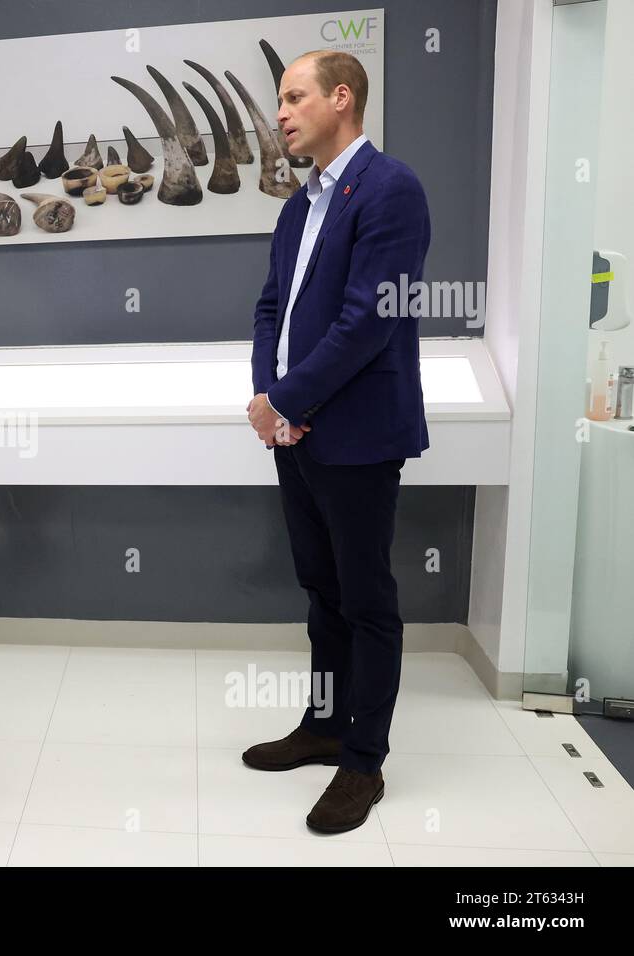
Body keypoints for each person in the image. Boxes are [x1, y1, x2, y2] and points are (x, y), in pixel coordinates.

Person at [243, 50, 430, 834]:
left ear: (342, 98)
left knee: (366, 601)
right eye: (280, 99)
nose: (280, 112)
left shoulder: (391, 190)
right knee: (320, 592)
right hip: (296, 434)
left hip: (355, 435)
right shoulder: (299, 204)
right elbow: (268, 310)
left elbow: (369, 321)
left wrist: (288, 399)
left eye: (293, 97)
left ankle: (363, 760)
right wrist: (270, 403)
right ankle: (323, 726)